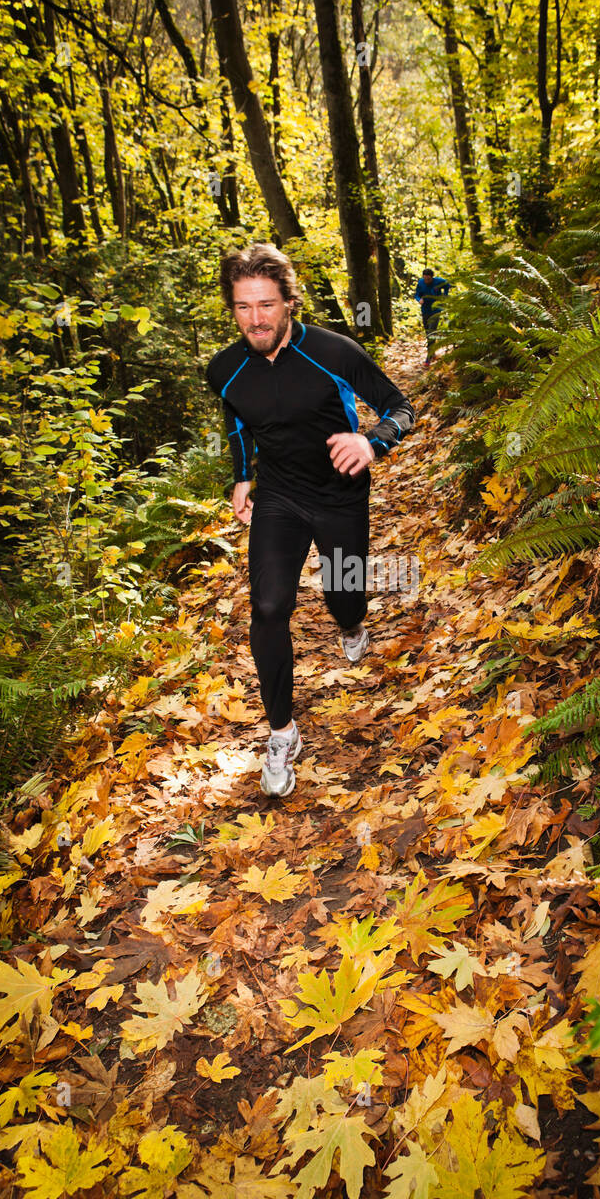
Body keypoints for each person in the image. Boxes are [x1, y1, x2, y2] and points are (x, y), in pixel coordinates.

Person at [206, 243, 415, 798]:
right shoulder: (224, 369)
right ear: (232, 308)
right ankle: (282, 732)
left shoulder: (334, 351)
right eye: (244, 307)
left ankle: (352, 623)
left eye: (266, 305)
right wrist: (243, 475)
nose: (256, 319)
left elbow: (401, 406)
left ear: (289, 302)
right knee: (269, 607)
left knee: (343, 596)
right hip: (279, 497)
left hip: (341, 492)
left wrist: (372, 443)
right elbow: (238, 426)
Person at [414, 268, 451, 366]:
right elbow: (417, 294)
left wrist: (445, 296)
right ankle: (433, 352)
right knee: (427, 332)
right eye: (425, 279)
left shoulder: (439, 281)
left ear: (432, 278)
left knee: (431, 332)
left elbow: (447, 285)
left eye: (428, 279)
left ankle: (428, 357)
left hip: (436, 311)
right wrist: (419, 299)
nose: (426, 281)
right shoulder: (421, 282)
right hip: (425, 310)